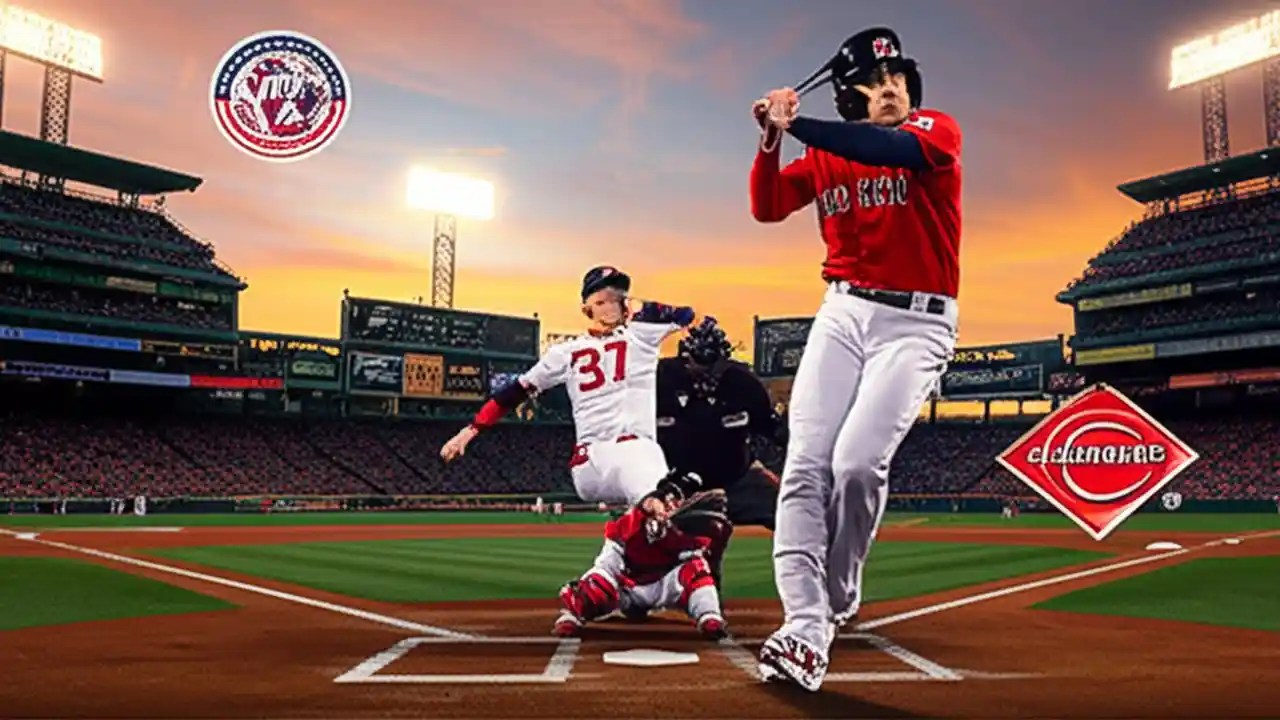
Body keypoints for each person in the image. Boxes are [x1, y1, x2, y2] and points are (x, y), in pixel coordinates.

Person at [750, 27, 962, 691]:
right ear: (851, 96)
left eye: (895, 75)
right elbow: (766, 206)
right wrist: (770, 137)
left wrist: (796, 120)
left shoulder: (932, 130)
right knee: (806, 463)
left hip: (916, 321)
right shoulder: (826, 154)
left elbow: (882, 145)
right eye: (873, 82)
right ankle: (805, 627)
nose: (889, 87)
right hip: (843, 310)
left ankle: (841, 589)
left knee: (857, 463)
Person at [441, 265, 696, 510]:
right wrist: (470, 430)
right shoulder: (569, 351)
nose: (611, 304)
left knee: (640, 514)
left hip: (619, 463)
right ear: (587, 309)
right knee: (661, 489)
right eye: (602, 300)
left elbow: (686, 315)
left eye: (617, 297)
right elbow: (514, 392)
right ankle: (674, 525)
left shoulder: (637, 335)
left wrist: (638, 305)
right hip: (601, 455)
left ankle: (617, 546)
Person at [654, 316, 786, 587]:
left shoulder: (744, 384)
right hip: (678, 487)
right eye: (698, 363)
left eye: (712, 363)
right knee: (667, 543)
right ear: (685, 356)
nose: (705, 371)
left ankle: (823, 592)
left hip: (739, 477)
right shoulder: (659, 381)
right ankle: (640, 592)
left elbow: (776, 433)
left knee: (796, 516)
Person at [552, 471, 728, 640]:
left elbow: (709, 568)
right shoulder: (633, 521)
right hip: (627, 584)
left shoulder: (696, 532)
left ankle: (709, 617)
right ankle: (574, 615)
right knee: (597, 588)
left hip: (666, 583)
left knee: (697, 573)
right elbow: (610, 560)